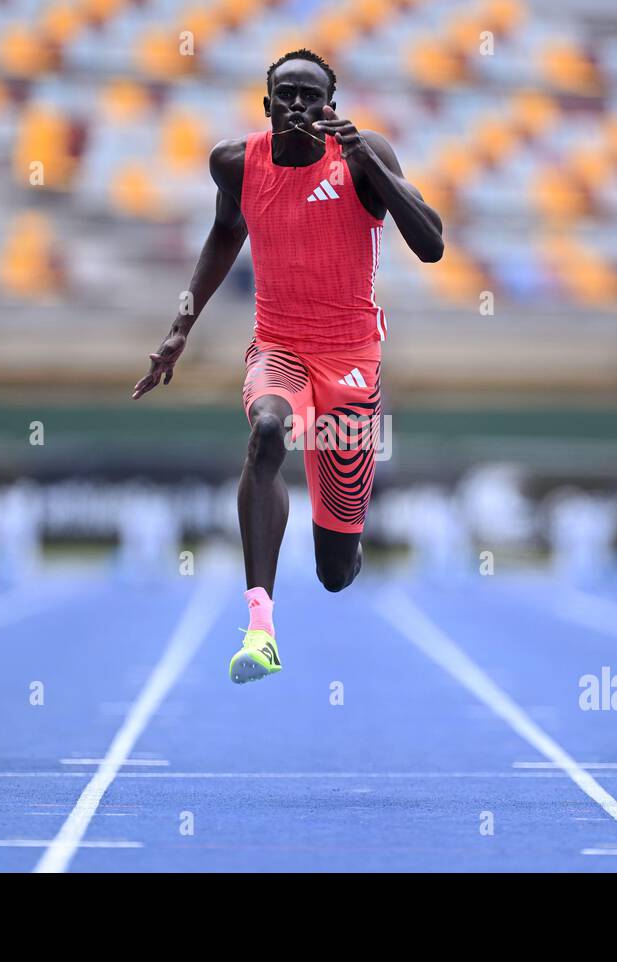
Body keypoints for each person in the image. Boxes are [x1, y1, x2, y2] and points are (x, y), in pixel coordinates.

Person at [132, 49, 443, 684]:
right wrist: (179, 329)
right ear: (267, 103)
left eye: (312, 96)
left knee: (334, 573)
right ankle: (259, 625)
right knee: (267, 430)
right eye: (287, 95)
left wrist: (373, 170)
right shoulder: (234, 162)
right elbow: (224, 234)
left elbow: (432, 245)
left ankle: (346, 541)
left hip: (352, 361)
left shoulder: (366, 155)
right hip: (280, 349)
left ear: (331, 105)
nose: (299, 105)